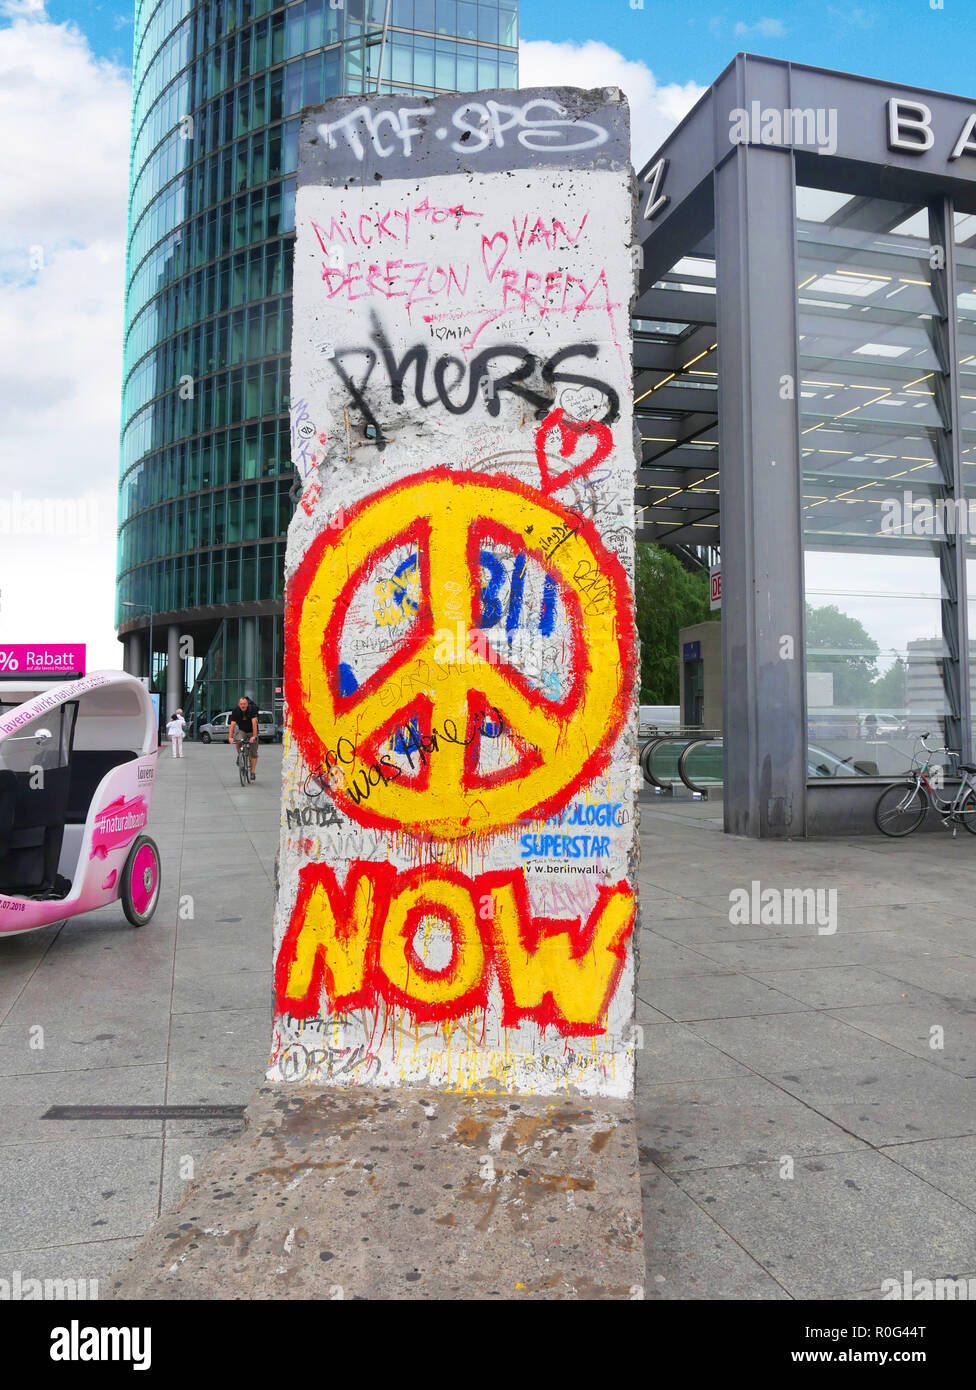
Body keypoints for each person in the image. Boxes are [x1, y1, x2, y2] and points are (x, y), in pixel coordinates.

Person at [228, 696, 259, 781]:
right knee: (238, 740)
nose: (243, 705)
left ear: (247, 704)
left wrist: (254, 736)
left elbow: (254, 723)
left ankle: (252, 772)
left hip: (252, 731)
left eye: (244, 704)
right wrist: (230, 737)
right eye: (241, 704)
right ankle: (240, 755)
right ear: (239, 704)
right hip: (242, 730)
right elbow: (233, 724)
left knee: (253, 752)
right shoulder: (236, 711)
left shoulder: (252, 709)